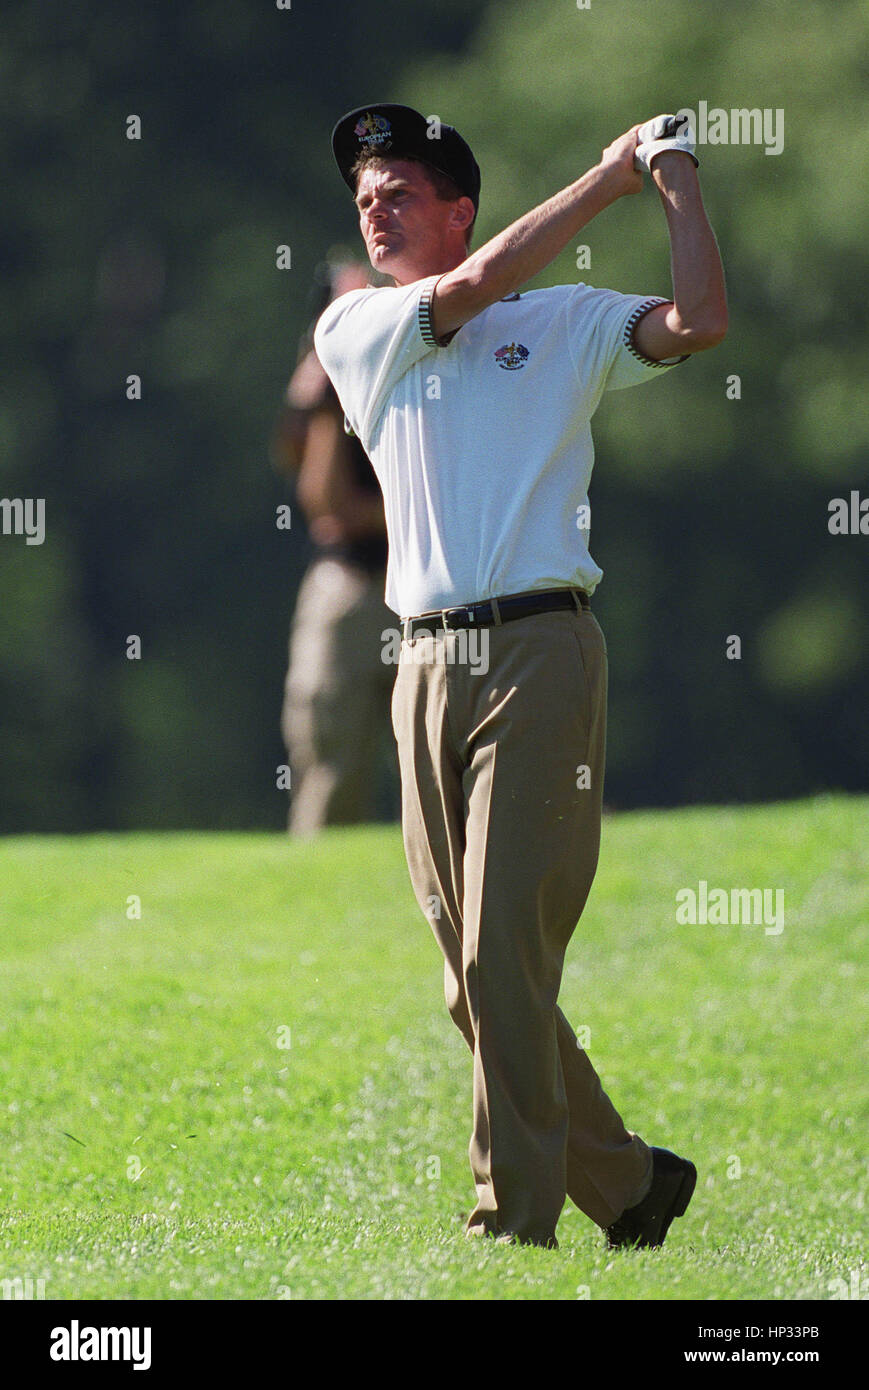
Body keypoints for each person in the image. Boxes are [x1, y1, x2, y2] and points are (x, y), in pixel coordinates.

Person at [313, 104, 727, 1248]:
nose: (373, 211)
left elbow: (697, 321)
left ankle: (512, 1223)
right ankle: (634, 1183)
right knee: (469, 982)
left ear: (456, 206)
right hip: (421, 666)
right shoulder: (359, 324)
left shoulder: (565, 321)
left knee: (502, 958)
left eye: (398, 193)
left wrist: (673, 176)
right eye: (363, 198)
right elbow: (485, 277)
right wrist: (609, 174)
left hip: (540, 654)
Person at [272, 259, 398, 835]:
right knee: (332, 756)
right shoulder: (324, 378)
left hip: (415, 585)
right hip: (353, 583)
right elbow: (327, 502)